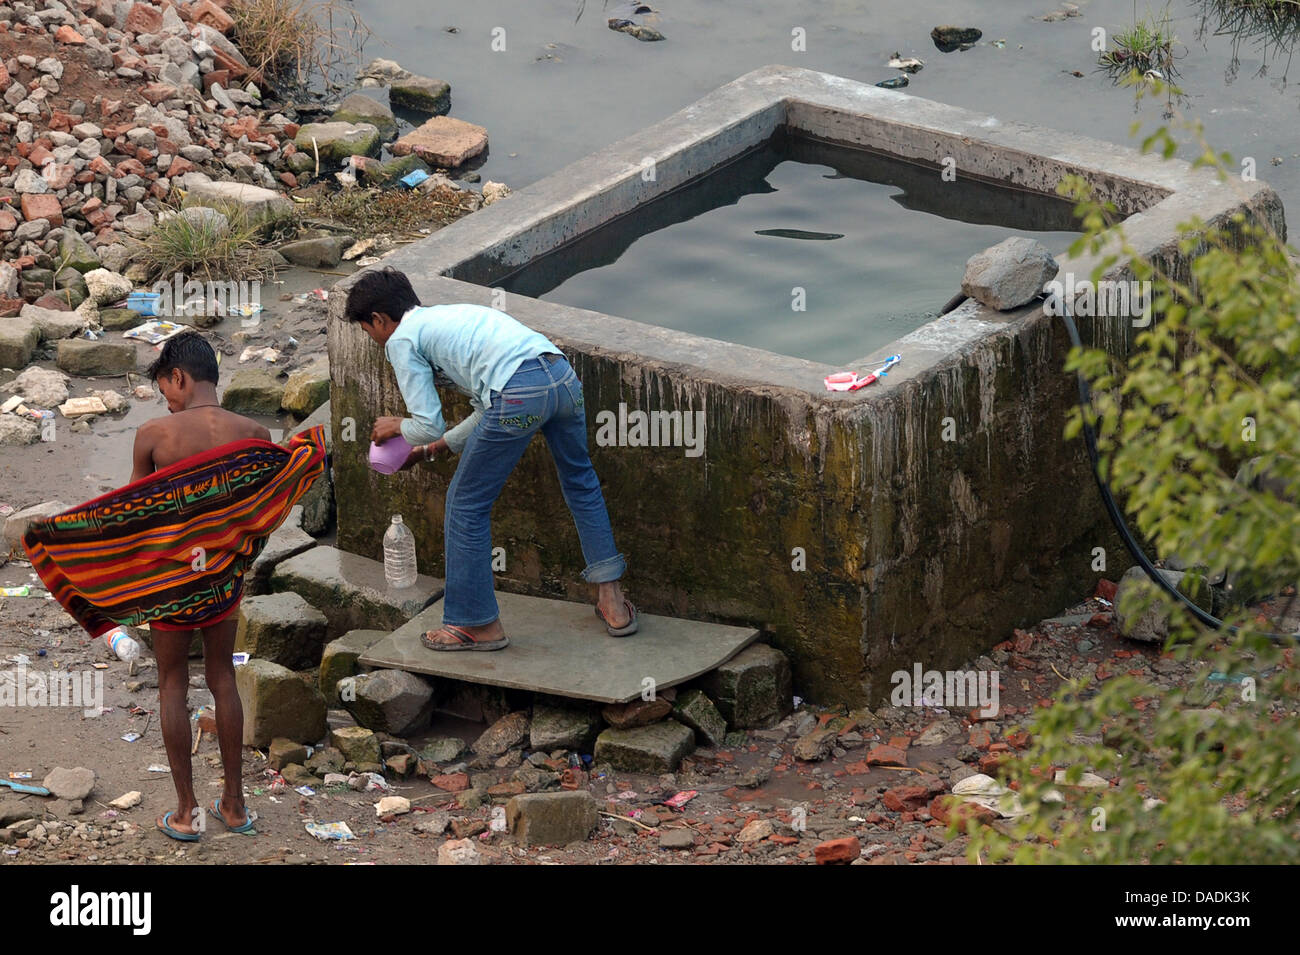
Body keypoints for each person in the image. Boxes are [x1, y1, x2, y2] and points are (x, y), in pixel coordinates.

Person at [24, 332, 326, 842]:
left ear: (179, 377)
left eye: (166, 387)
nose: (167, 399)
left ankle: (187, 812)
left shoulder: (155, 435)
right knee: (223, 680)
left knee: (172, 684)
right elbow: (257, 511)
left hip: (172, 582)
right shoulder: (254, 433)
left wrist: (67, 545)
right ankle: (234, 805)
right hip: (223, 580)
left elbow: (132, 518)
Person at [346, 266, 636, 651]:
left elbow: (428, 423)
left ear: (380, 320)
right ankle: (612, 602)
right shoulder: (450, 317)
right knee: (581, 482)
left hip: (518, 392)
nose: (376, 343)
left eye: (370, 333)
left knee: (465, 504)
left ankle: (475, 624)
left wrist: (397, 427)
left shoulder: (401, 339)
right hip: (561, 377)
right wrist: (433, 450)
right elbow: (489, 408)